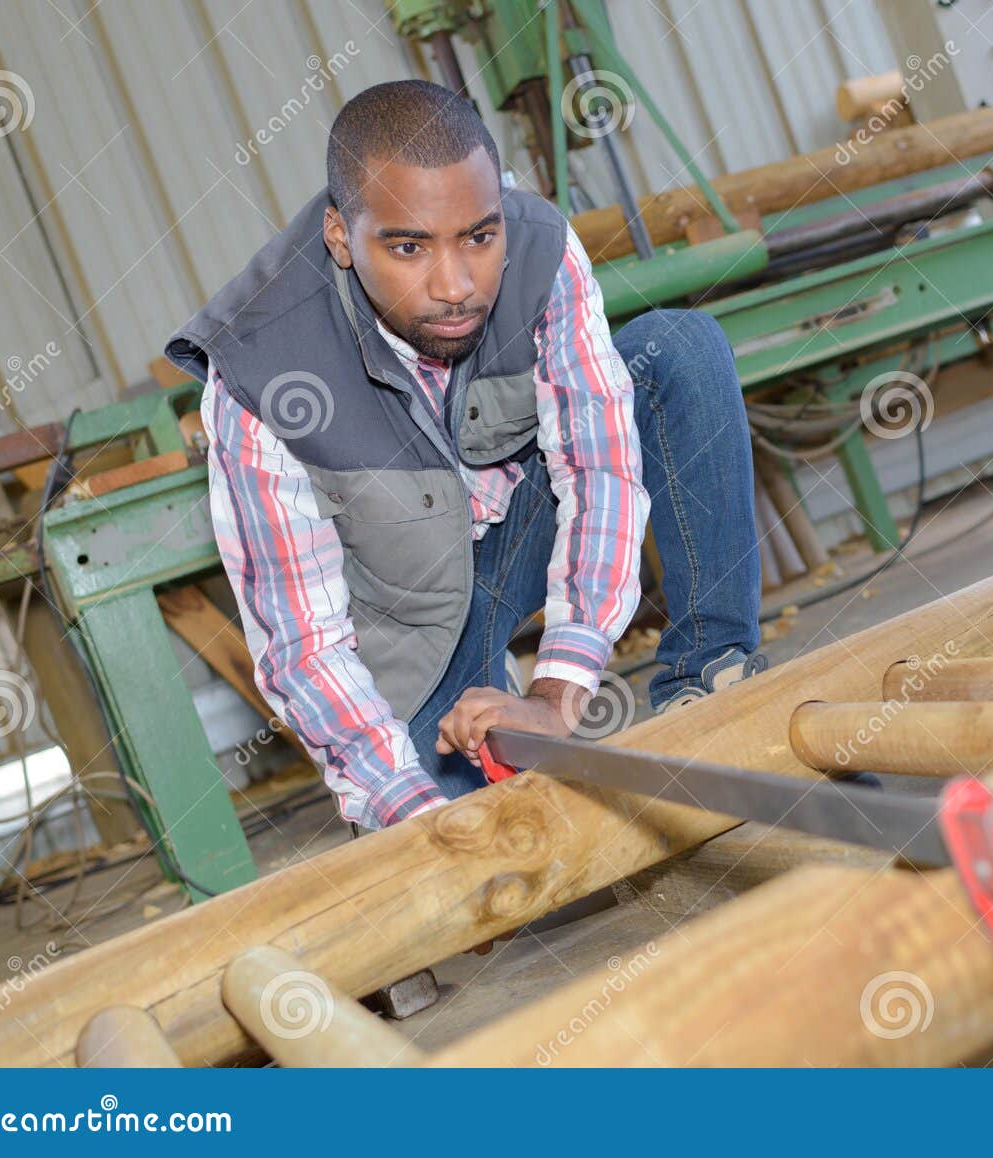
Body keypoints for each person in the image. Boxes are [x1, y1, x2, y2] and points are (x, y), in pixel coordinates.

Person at [165, 79, 766, 831]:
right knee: (489, 849)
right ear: (340, 237)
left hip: (517, 532)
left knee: (677, 349)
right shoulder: (260, 368)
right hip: (410, 630)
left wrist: (558, 694)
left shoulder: (537, 245)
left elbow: (598, 468)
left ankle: (712, 672)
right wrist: (421, 821)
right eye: (408, 247)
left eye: (479, 238)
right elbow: (304, 646)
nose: (455, 286)